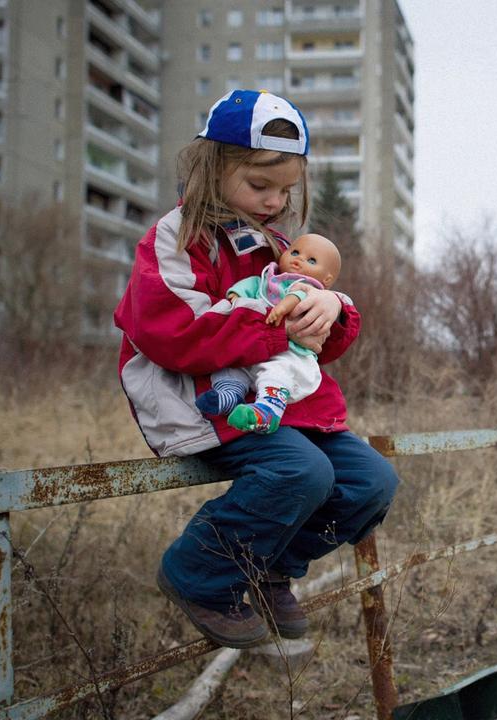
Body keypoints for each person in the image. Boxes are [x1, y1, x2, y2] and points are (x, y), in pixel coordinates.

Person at [113, 90, 399, 649]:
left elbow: (312, 351)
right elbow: (174, 336)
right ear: (214, 166)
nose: (273, 202)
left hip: (281, 405)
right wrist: (276, 327)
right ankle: (198, 574)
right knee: (303, 473)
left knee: (371, 481)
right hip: (204, 401)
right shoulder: (176, 239)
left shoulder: (278, 247)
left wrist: (332, 310)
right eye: (259, 185)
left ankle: (268, 568)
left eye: (286, 191)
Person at [195, 232, 342, 435]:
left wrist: (283, 307)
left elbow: (297, 296)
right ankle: (229, 395)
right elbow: (251, 286)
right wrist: (236, 295)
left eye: (311, 260)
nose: (299, 259)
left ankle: (268, 410)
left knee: (276, 373)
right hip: (256, 351)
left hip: (291, 356)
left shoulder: (310, 288)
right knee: (232, 368)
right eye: (295, 252)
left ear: (327, 278)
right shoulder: (267, 277)